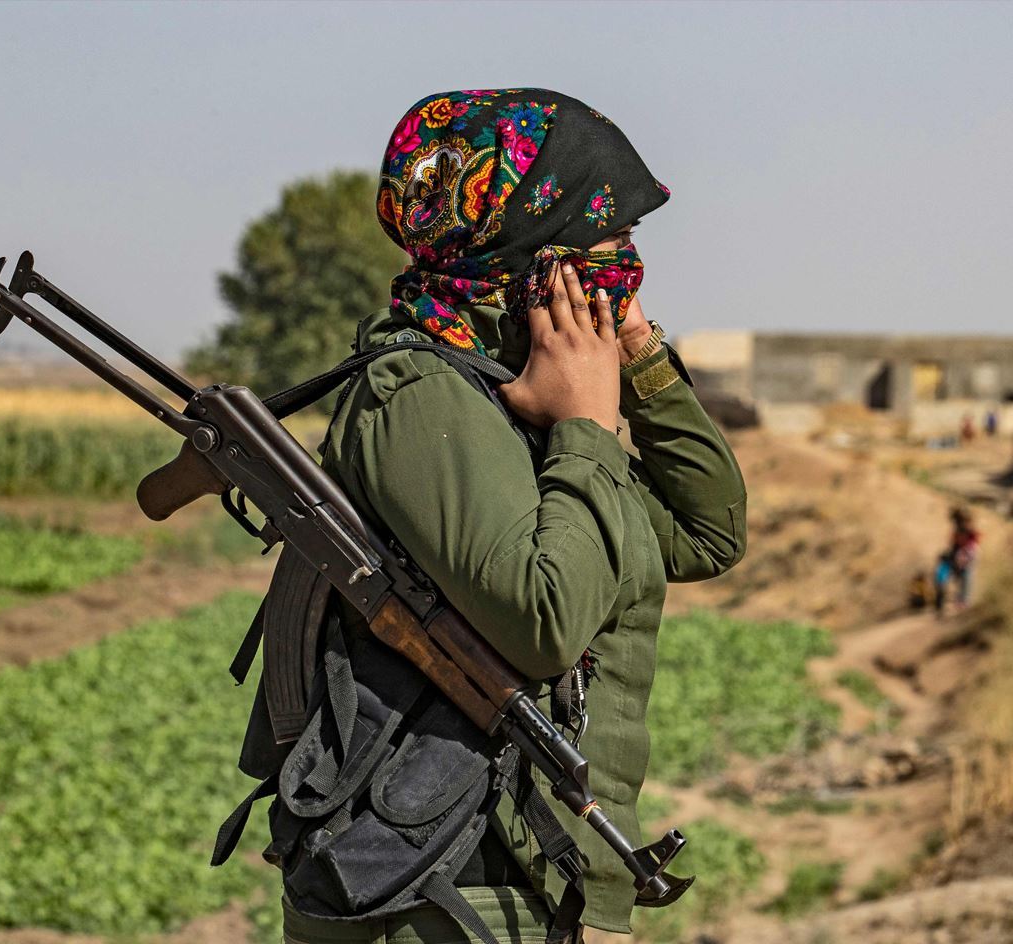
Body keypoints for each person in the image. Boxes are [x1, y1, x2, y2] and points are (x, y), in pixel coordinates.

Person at [279, 90, 748, 943]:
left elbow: (706, 531)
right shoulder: (418, 395)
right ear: (527, 257)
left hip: (537, 886)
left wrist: (638, 360)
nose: (623, 279)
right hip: (446, 898)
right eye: (606, 257)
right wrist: (581, 425)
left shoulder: (510, 398)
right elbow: (546, 624)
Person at [933, 507, 980, 614]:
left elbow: (973, 552)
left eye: (960, 521)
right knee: (940, 573)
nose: (958, 524)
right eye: (957, 522)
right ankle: (940, 600)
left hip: (966, 562)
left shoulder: (972, 535)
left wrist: (962, 558)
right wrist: (946, 556)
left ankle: (963, 600)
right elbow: (952, 549)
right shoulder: (956, 533)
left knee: (967, 575)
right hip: (954, 560)